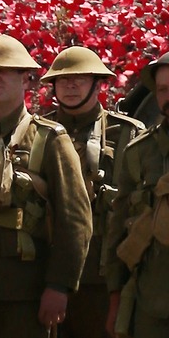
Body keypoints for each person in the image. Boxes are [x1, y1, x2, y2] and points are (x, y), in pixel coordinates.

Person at [0, 35, 92, 338]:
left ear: (25, 80)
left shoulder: (49, 138)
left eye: (6, 70)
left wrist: (59, 285)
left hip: (24, 291)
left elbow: (75, 219)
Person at [41, 46, 143, 338]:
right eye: (63, 80)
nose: (71, 86)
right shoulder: (38, 132)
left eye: (81, 79)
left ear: (98, 84)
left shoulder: (126, 133)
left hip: (101, 277)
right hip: (43, 273)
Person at [104, 51, 169, 338]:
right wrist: (116, 297)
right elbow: (118, 227)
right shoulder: (139, 152)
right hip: (151, 304)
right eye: (164, 90)